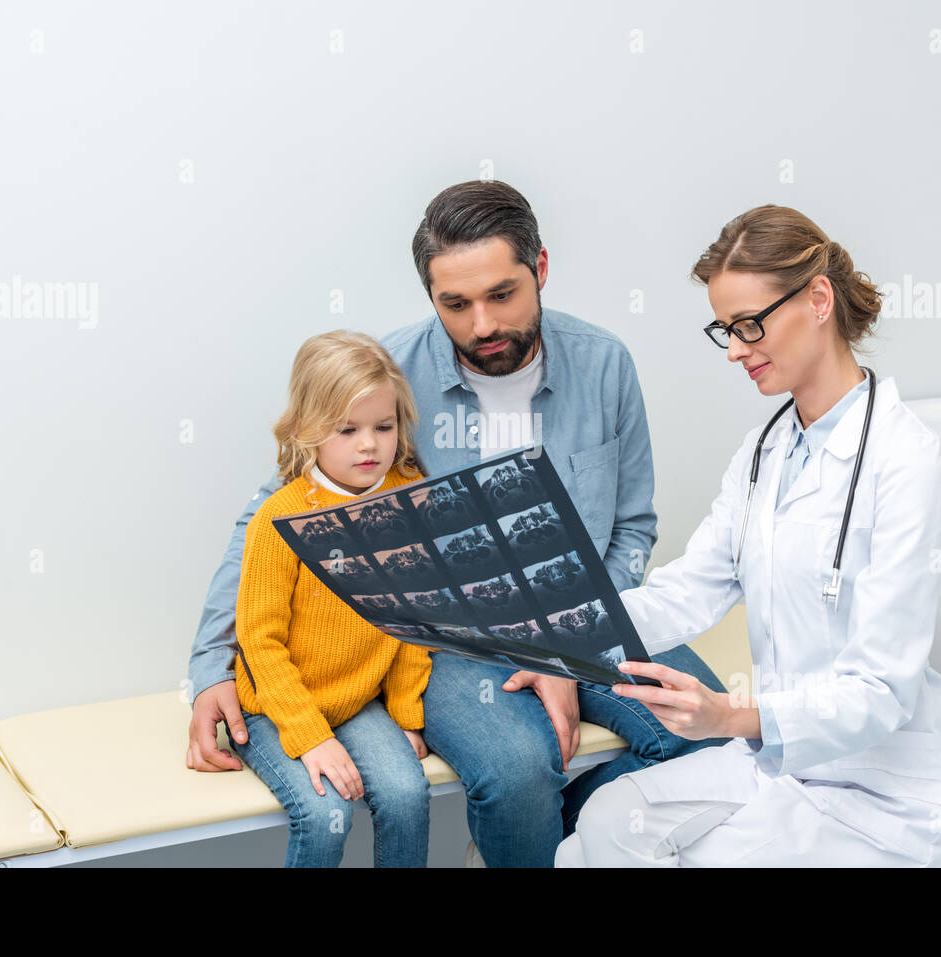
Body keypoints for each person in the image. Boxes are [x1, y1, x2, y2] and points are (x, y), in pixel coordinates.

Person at [186, 180, 729, 867]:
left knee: (712, 738)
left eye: (502, 294)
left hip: (584, 612)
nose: (481, 325)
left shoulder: (604, 363)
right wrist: (210, 666)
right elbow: (277, 517)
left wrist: (563, 642)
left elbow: (631, 529)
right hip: (447, 640)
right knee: (517, 774)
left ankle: (565, 841)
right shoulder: (388, 376)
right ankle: (524, 839)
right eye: (456, 304)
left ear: (541, 270)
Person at [555, 205, 941, 867]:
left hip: (882, 791)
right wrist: (567, 627)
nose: (736, 349)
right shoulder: (765, 450)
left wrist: (727, 716)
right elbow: (688, 591)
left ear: (819, 298)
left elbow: (882, 690)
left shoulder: (906, 459)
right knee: (603, 825)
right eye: (725, 328)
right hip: (784, 763)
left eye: (749, 324)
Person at [230, 331, 432, 867]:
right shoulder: (280, 520)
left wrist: (407, 714)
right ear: (306, 430)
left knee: (409, 794)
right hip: (278, 708)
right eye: (348, 429)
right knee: (325, 815)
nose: (369, 444)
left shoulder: (408, 497)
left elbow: (414, 618)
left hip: (356, 702)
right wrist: (310, 736)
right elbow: (259, 641)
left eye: (383, 427)